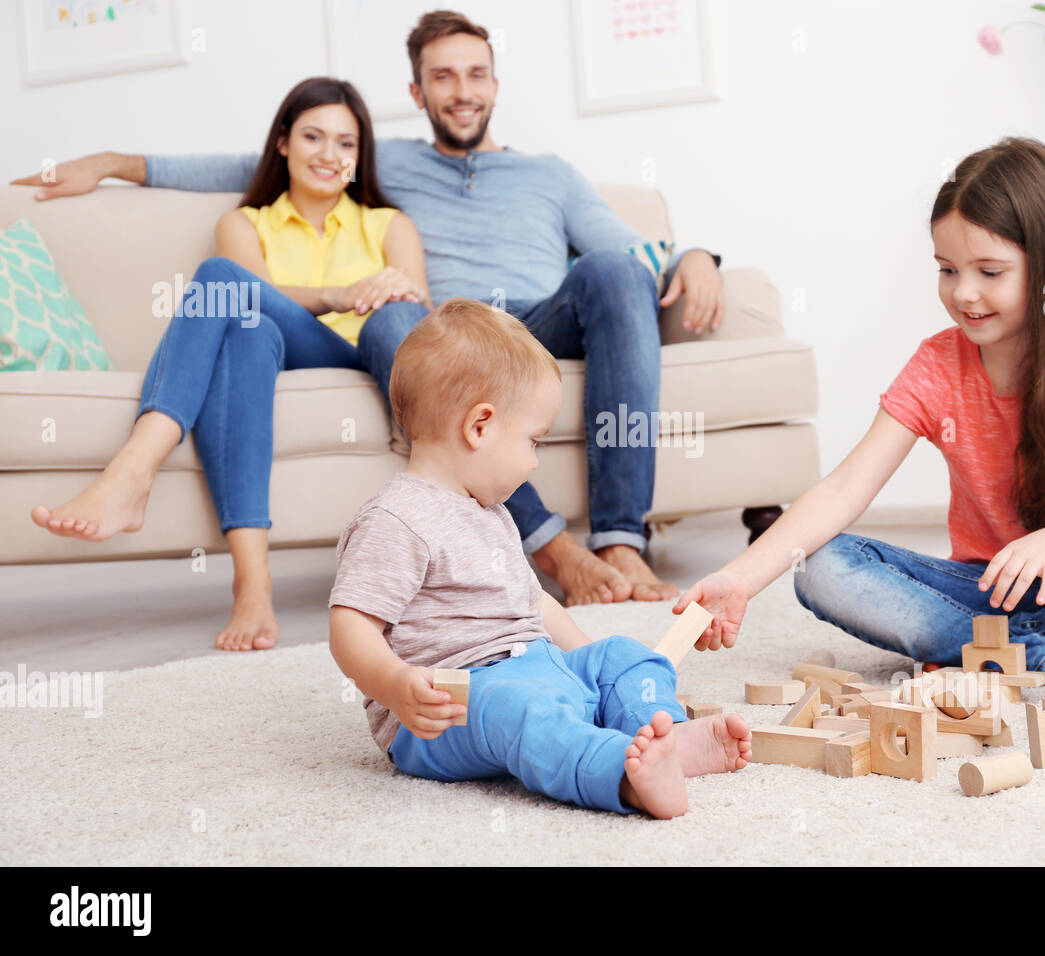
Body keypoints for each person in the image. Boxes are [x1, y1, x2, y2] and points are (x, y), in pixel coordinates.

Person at [14, 9, 728, 607]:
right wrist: (113, 162)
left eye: (475, 73)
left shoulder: (550, 175)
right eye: (443, 76)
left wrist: (694, 256)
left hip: (532, 330)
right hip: (440, 336)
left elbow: (627, 250)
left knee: (610, 269)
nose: (462, 90)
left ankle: (621, 542)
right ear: (417, 92)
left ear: (495, 84)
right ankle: (550, 548)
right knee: (385, 320)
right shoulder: (382, 164)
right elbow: (255, 165)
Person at [671, 137, 1045, 700]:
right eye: (947, 269)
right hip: (983, 594)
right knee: (817, 566)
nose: (964, 293)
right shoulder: (937, 366)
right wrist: (740, 579)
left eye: (989, 272)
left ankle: (996, 656)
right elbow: (845, 487)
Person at [28, 77, 431, 651]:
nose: (329, 154)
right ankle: (253, 585)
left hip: (354, 354)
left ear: (360, 156)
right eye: (313, 136)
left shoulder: (389, 224)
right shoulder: (244, 223)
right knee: (244, 321)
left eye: (346, 143)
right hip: (276, 347)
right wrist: (341, 292)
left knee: (220, 281)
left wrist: (395, 289)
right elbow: (256, 292)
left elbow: (420, 317)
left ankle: (136, 467)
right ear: (284, 143)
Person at [328, 298, 750, 818]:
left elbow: (537, 606)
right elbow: (350, 627)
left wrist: (589, 671)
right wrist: (395, 685)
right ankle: (623, 776)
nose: (534, 460)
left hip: (533, 667)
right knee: (524, 712)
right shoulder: (395, 520)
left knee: (622, 655)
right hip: (451, 705)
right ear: (479, 426)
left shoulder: (491, 512)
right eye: (533, 440)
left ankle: (669, 736)